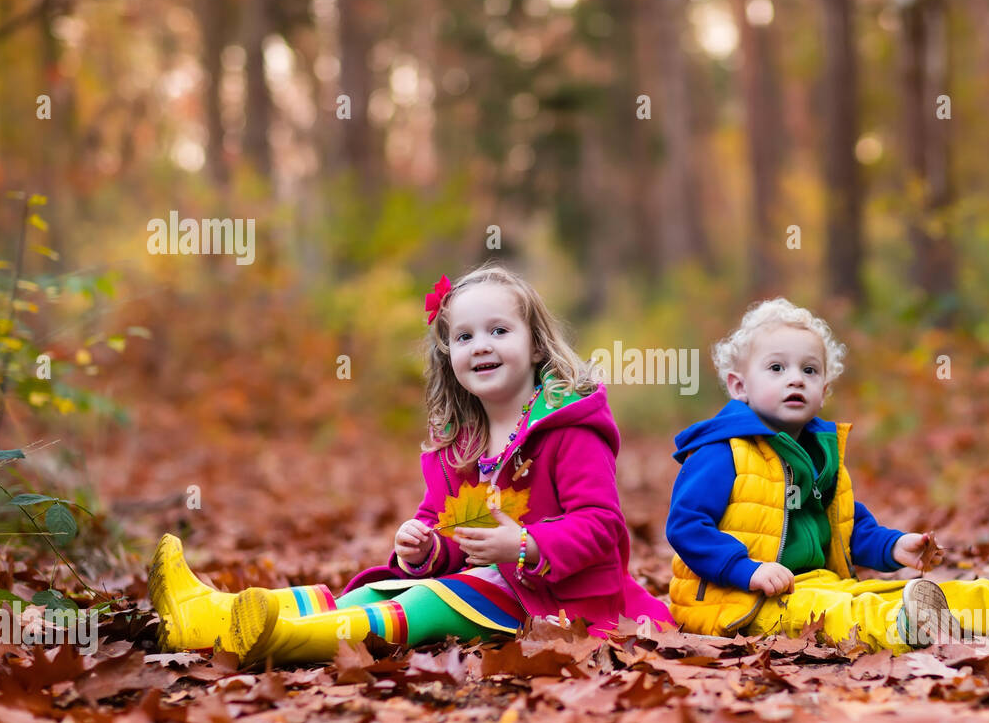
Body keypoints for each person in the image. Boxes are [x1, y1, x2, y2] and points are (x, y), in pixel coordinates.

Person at [149, 263, 674, 667]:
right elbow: (442, 528)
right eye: (464, 337)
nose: (480, 346)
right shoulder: (459, 444)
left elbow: (601, 527)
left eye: (498, 331)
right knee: (375, 590)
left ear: (536, 345)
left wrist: (524, 545)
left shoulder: (571, 430)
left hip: (557, 603)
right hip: (487, 585)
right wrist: (422, 547)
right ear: (449, 355)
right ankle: (212, 616)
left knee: (430, 600)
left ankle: (284, 641)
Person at [665, 297, 989, 652]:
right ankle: (903, 628)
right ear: (740, 386)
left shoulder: (819, 452)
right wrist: (744, 569)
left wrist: (895, 546)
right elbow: (687, 526)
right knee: (838, 613)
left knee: (903, 590)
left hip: (816, 583)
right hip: (739, 600)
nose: (795, 379)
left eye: (809, 370)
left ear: (825, 389)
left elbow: (849, 528)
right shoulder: (722, 451)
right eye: (776, 368)